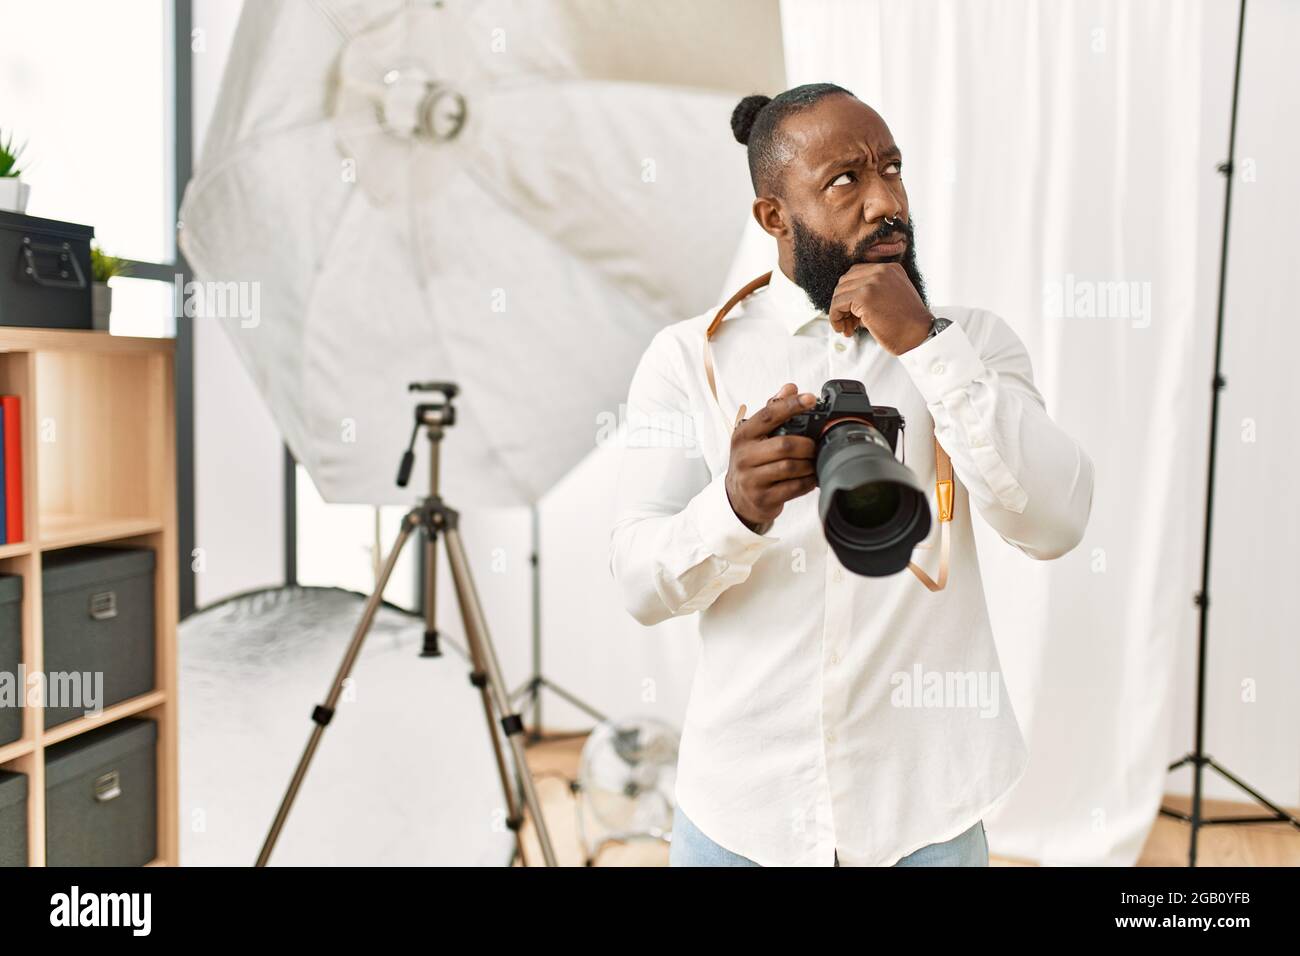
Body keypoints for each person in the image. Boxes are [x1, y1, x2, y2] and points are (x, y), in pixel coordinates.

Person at [608, 83, 1094, 866]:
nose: (884, 203)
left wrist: (927, 347)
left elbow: (1055, 521)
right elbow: (637, 582)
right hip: (741, 815)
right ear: (774, 217)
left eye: (892, 170)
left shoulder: (973, 343)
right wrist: (731, 509)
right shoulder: (690, 357)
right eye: (845, 181)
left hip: (926, 810)